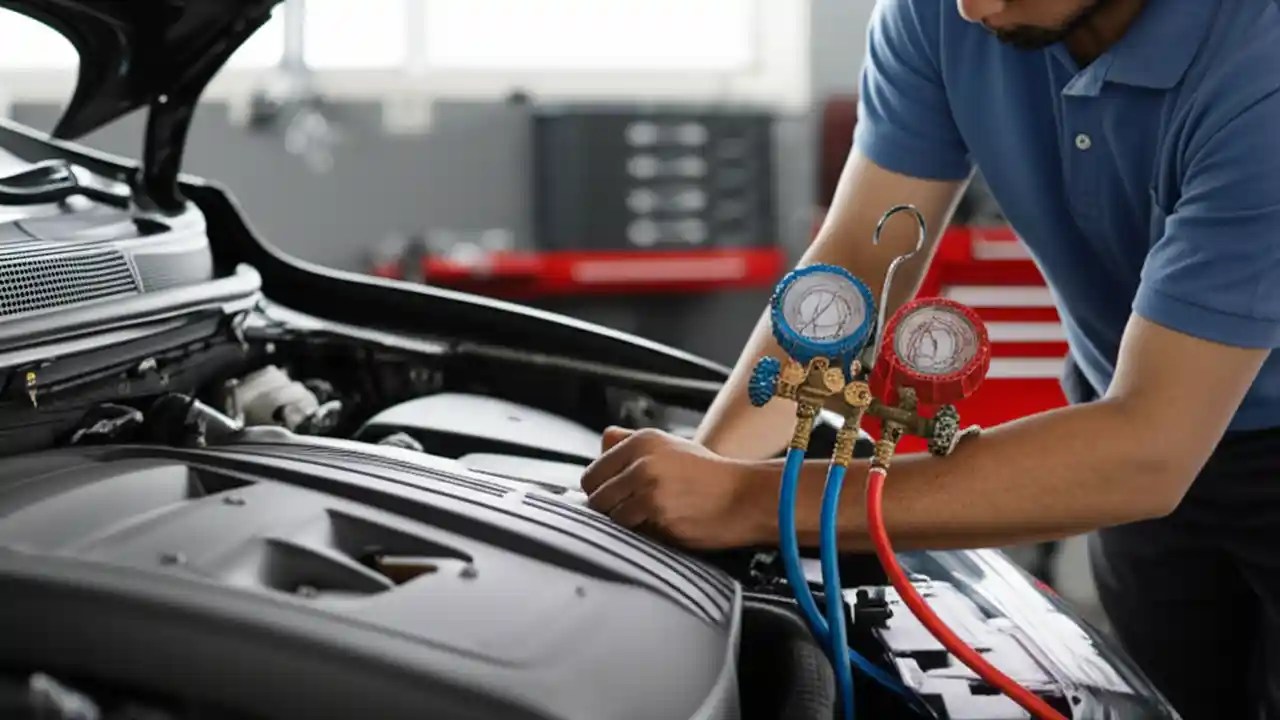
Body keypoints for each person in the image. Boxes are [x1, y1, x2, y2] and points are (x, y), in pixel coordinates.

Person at [579, 0, 1280, 717]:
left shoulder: (1261, 67)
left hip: (1165, 443)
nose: (975, 8)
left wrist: (750, 502)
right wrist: (704, 480)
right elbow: (858, 262)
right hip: (1129, 450)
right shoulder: (939, 13)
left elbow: (1149, 449)